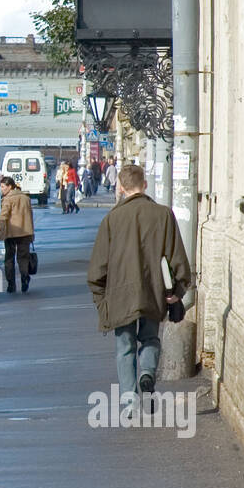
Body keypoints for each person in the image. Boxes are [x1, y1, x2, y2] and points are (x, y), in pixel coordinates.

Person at [86, 164, 192, 417]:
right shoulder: (163, 214)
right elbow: (177, 258)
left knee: (124, 347)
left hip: (120, 294)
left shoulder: (111, 219)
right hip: (153, 291)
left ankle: (129, 400)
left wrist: (102, 303)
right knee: (150, 338)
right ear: (144, 185)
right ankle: (147, 373)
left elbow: (97, 270)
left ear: (121, 188)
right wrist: (177, 289)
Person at [0, 175, 34, 293]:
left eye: (2, 186)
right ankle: (25, 278)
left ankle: (11, 285)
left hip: (11, 234)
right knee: (23, 258)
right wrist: (31, 233)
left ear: (10, 186)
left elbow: (3, 217)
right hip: (26, 233)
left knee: (9, 259)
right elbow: (30, 216)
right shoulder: (26, 198)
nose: (1, 189)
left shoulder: (8, 199)